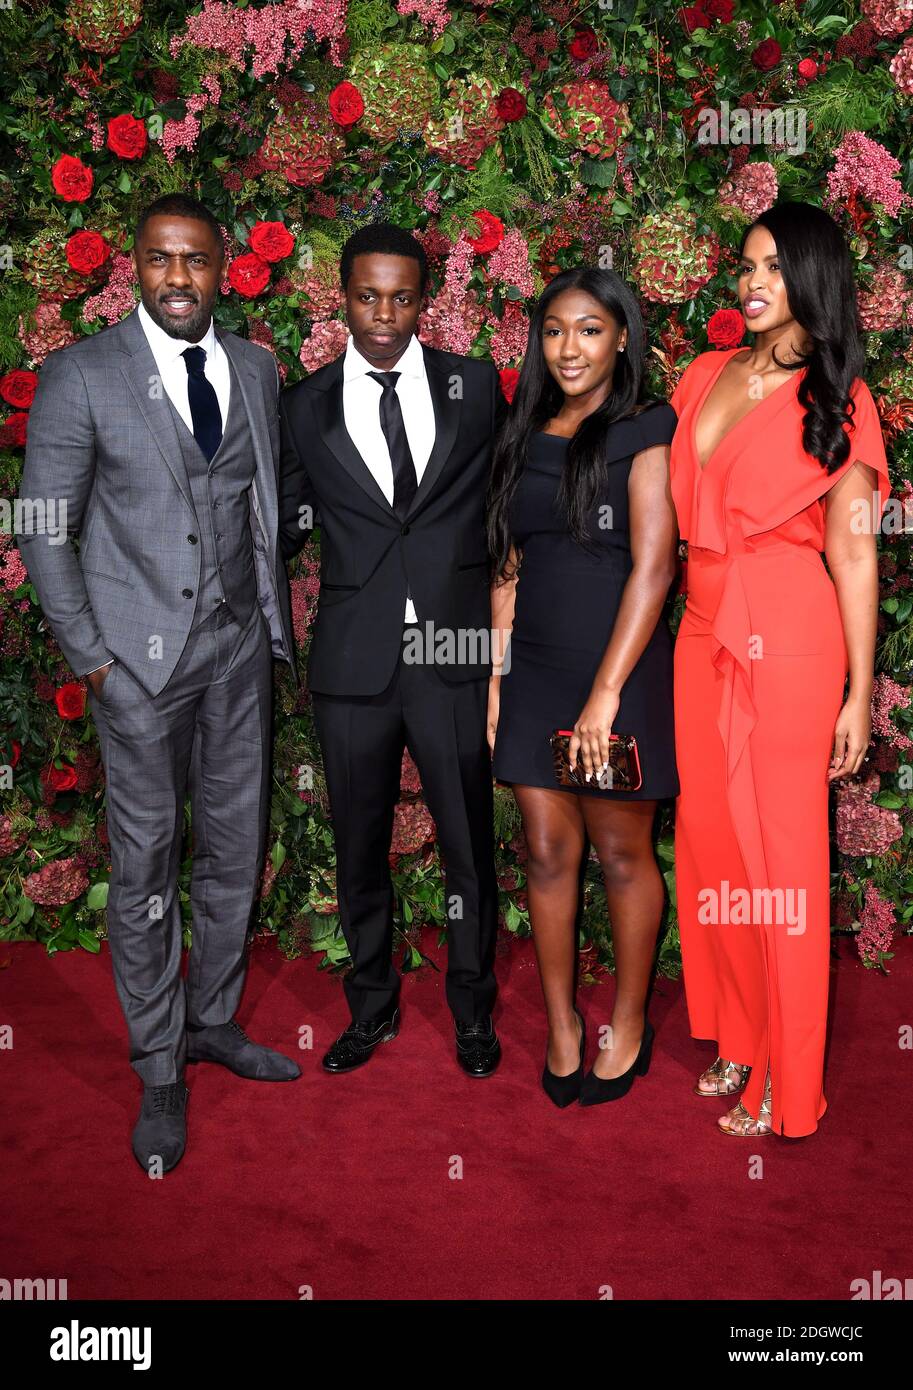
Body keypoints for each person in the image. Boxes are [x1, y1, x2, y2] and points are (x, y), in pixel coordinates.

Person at [18, 194, 300, 1174]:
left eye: (195, 261)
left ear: (226, 269)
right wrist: (93, 660)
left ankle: (212, 1019)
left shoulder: (256, 368)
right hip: (135, 667)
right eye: (158, 260)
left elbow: (264, 500)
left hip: (234, 654)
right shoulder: (81, 373)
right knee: (145, 867)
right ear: (131, 268)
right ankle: (159, 1066)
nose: (177, 278)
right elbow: (43, 522)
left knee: (235, 844)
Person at [670, 202, 891, 1138]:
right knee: (714, 852)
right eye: (746, 264)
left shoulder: (838, 400)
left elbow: (853, 557)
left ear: (810, 279)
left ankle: (787, 1086)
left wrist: (856, 692)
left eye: (772, 267)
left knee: (782, 868)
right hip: (697, 629)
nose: (752, 283)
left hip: (789, 639)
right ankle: (740, 1039)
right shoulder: (702, 374)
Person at [279, 222, 508, 1077]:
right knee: (358, 844)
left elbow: (507, 501)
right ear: (341, 297)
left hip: (451, 651)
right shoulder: (302, 405)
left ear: (427, 300)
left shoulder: (476, 387)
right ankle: (370, 1009)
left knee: (467, 848)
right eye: (367, 296)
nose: (383, 314)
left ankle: (473, 1015)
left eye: (401, 297)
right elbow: (283, 520)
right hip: (352, 661)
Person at [487, 267, 679, 1107]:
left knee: (621, 854)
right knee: (545, 851)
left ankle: (628, 1025)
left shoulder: (644, 426)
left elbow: (653, 567)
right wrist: (496, 682)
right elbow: (509, 563)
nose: (570, 347)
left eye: (590, 329)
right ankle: (562, 1023)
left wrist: (604, 695)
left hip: (619, 676)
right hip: (531, 672)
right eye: (556, 329)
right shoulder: (524, 428)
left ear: (622, 338)